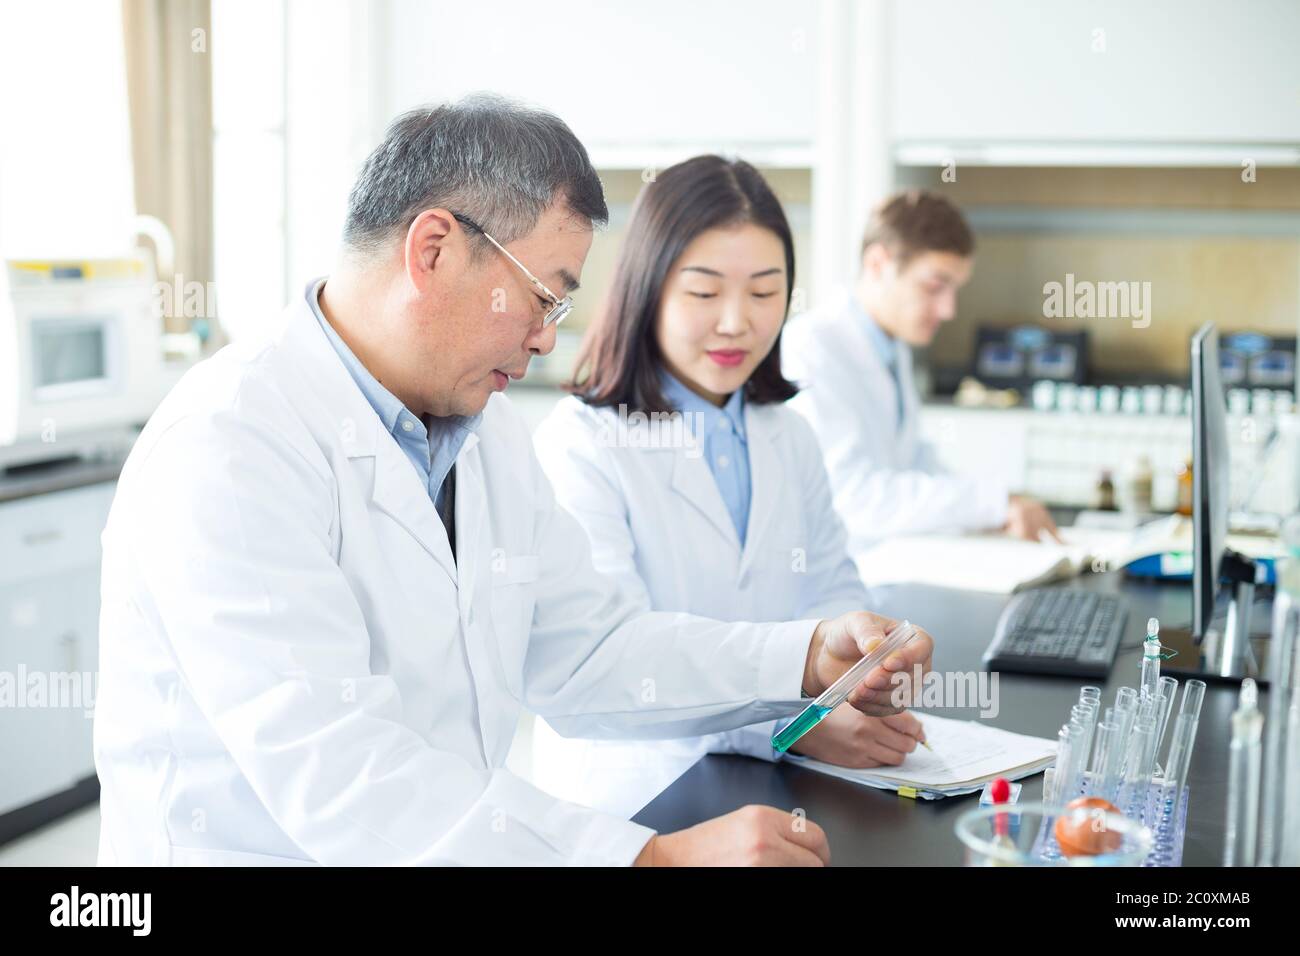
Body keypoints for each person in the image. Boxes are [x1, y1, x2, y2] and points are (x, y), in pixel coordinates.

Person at [93, 95, 933, 867]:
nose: (544, 340)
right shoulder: (232, 443)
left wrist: (803, 657)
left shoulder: (481, 434)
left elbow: (592, 650)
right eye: (542, 297)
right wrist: (650, 858)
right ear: (432, 249)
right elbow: (342, 776)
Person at [531, 156, 930, 818]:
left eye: (765, 292)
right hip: (637, 804)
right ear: (648, 288)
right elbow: (609, 669)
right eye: (705, 292)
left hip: (780, 794)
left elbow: (830, 589)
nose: (736, 322)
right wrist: (788, 724)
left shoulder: (788, 435)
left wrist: (872, 666)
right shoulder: (582, 444)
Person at [782, 189, 1059, 555]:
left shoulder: (892, 346)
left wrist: (999, 503)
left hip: (890, 565)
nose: (948, 310)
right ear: (878, 264)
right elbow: (852, 494)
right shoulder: (811, 347)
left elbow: (913, 461)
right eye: (935, 286)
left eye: (955, 289)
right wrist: (987, 503)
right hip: (837, 582)